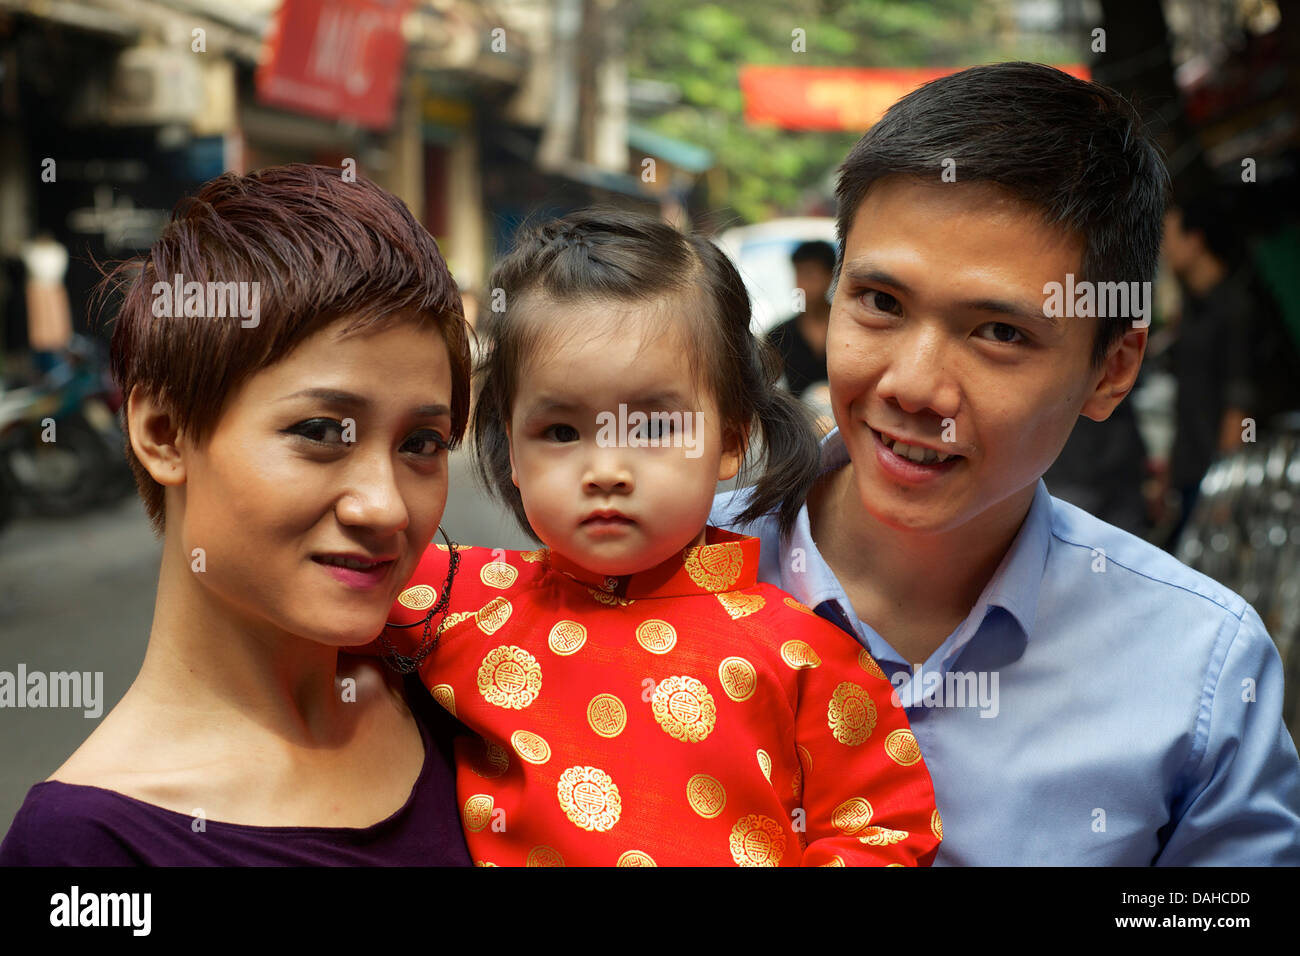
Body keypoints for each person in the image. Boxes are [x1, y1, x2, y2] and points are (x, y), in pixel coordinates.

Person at [712, 62, 1300, 865]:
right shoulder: (648, 574)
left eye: (1000, 333)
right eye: (880, 303)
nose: (914, 386)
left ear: (1111, 369)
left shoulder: (1198, 668)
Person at [380, 210, 941, 867]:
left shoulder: (802, 653)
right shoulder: (454, 601)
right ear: (510, 450)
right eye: (560, 432)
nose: (607, 472)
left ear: (730, 438)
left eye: (650, 429)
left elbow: (886, 828)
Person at [0, 164, 474, 865]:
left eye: (421, 444)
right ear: (163, 432)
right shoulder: (86, 849)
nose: (385, 506)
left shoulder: (469, 699)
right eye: (319, 431)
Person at [766, 240, 835, 398]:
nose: (804, 283)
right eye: (799, 273)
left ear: (830, 276)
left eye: (811, 274)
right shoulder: (779, 336)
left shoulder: (850, 328)